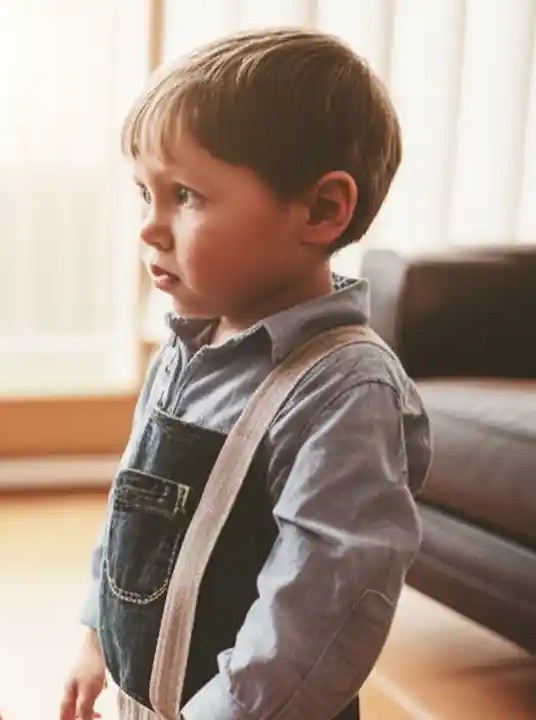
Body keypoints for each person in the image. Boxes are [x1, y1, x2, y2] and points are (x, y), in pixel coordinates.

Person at [60, 28, 431, 720]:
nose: (150, 227)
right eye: (145, 194)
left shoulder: (345, 391)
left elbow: (321, 610)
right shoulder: (185, 347)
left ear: (322, 210)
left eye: (187, 197)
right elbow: (131, 517)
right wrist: (95, 634)